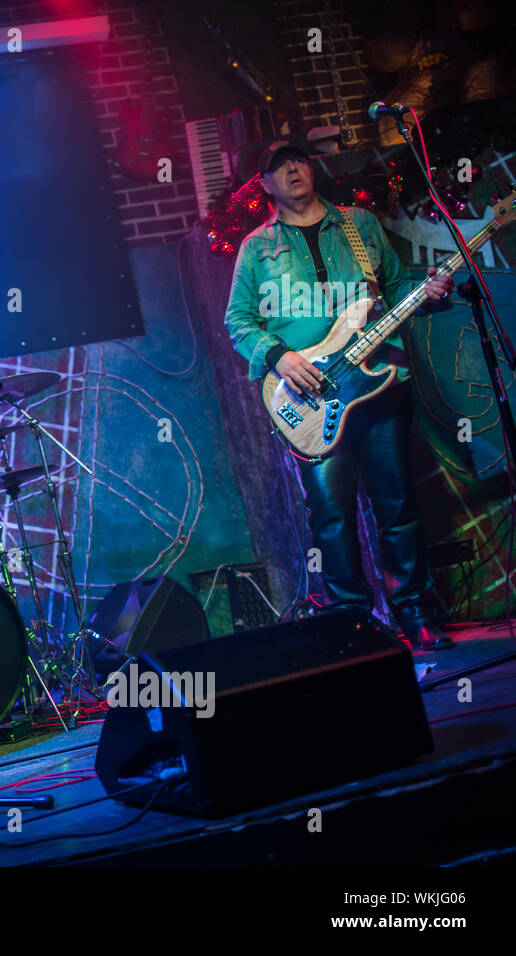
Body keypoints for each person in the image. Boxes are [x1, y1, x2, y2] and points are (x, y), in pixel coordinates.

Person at [224, 137, 455, 650]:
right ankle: (354, 629)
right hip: (310, 403)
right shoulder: (257, 247)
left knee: (397, 504)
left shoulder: (359, 224)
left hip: (376, 389)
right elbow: (237, 320)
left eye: (298, 160)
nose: (292, 170)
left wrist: (428, 295)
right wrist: (278, 355)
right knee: (331, 517)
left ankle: (415, 614)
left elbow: (393, 291)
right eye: (278, 167)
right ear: (263, 184)